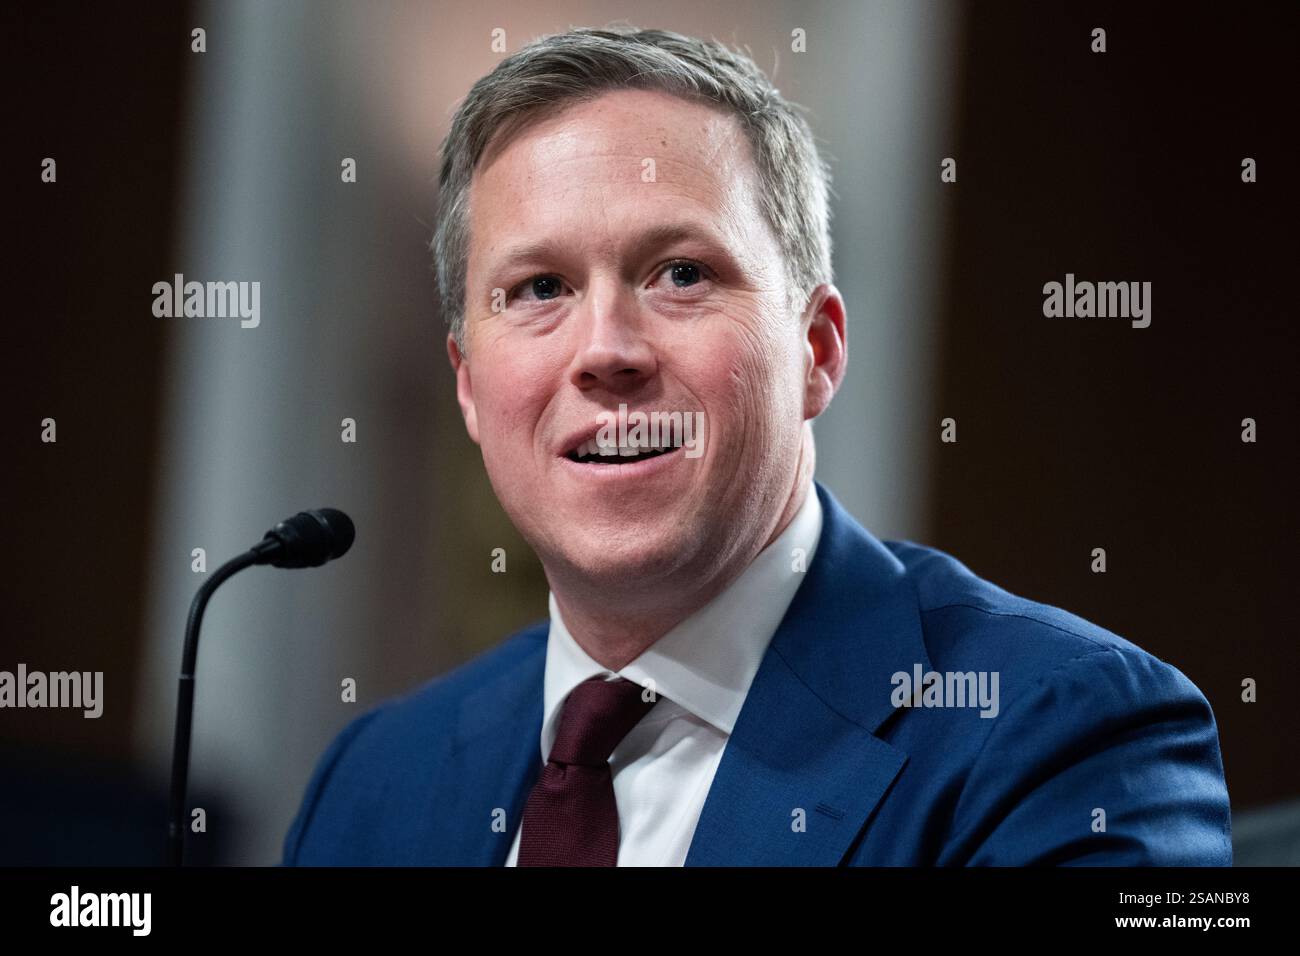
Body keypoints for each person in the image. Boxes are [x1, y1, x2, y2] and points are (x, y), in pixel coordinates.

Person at [282, 26, 1231, 866]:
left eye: (681, 273)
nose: (605, 350)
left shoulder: (1059, 734)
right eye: (539, 289)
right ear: (468, 386)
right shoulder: (374, 782)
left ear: (816, 351)